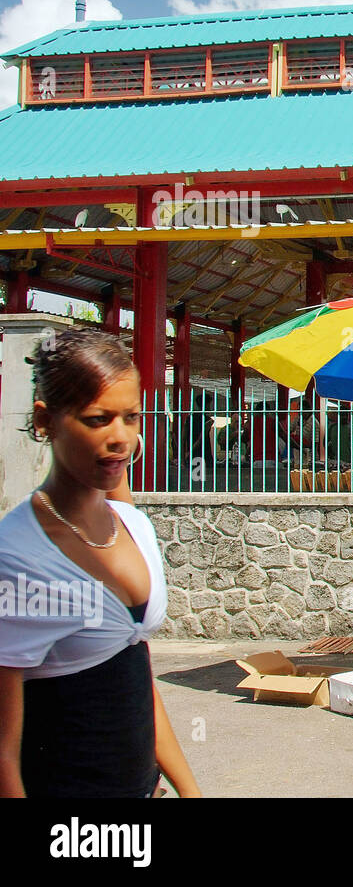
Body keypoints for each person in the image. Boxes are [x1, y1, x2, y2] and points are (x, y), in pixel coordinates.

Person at [0, 327, 200, 798]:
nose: (120, 438)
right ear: (45, 420)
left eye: (131, 418)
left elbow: (135, 675)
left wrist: (188, 789)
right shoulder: (17, 559)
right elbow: (3, 753)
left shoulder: (133, 525)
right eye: (97, 419)